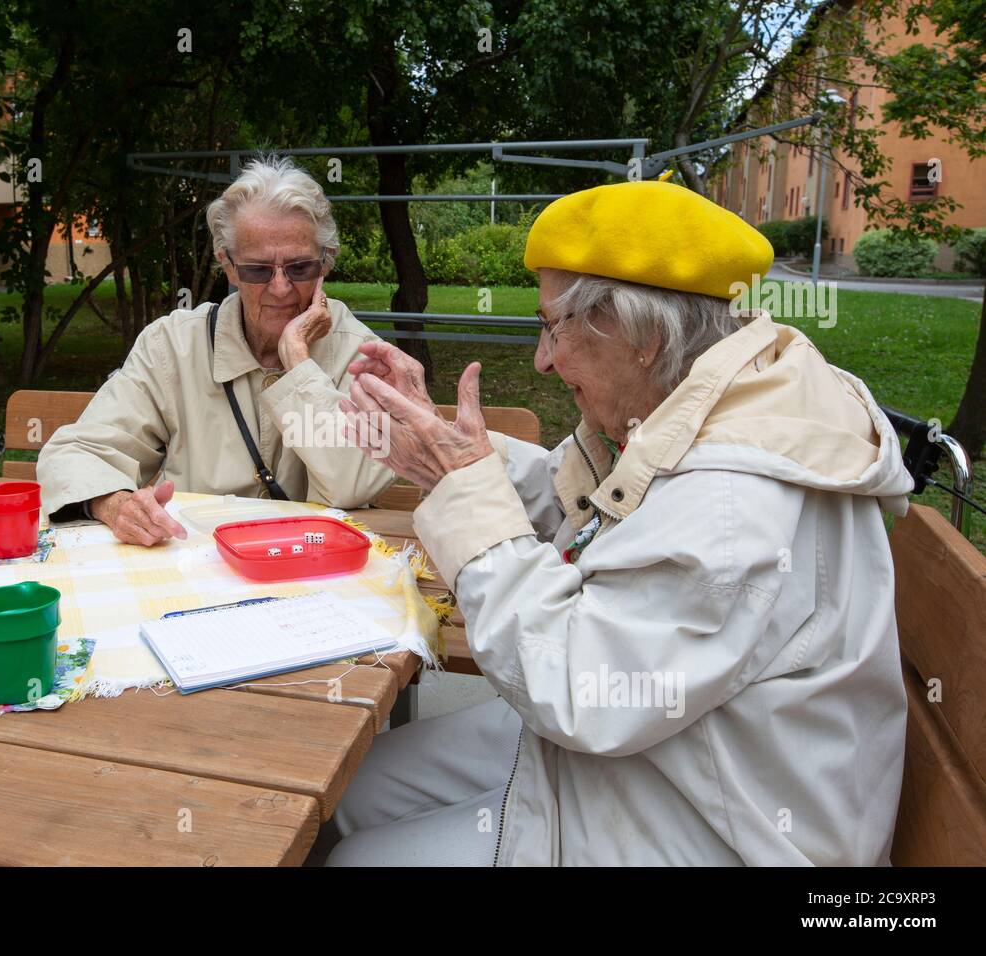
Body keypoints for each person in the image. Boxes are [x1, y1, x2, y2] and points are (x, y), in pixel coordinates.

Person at [326, 179, 914, 866]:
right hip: (675, 751)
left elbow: (574, 687)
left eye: (553, 327)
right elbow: (594, 509)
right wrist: (454, 458)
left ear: (640, 334)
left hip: (713, 825)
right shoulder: (712, 404)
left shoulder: (732, 504)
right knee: (358, 786)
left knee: (355, 857)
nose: (543, 360)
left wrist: (464, 487)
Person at [37, 156, 395, 544]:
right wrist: (113, 503)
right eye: (258, 270)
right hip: (198, 565)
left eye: (299, 268)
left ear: (325, 263)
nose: (280, 288)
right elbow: (76, 453)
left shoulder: (362, 353)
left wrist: (298, 363)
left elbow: (355, 483)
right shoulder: (173, 346)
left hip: (318, 567)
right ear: (228, 265)